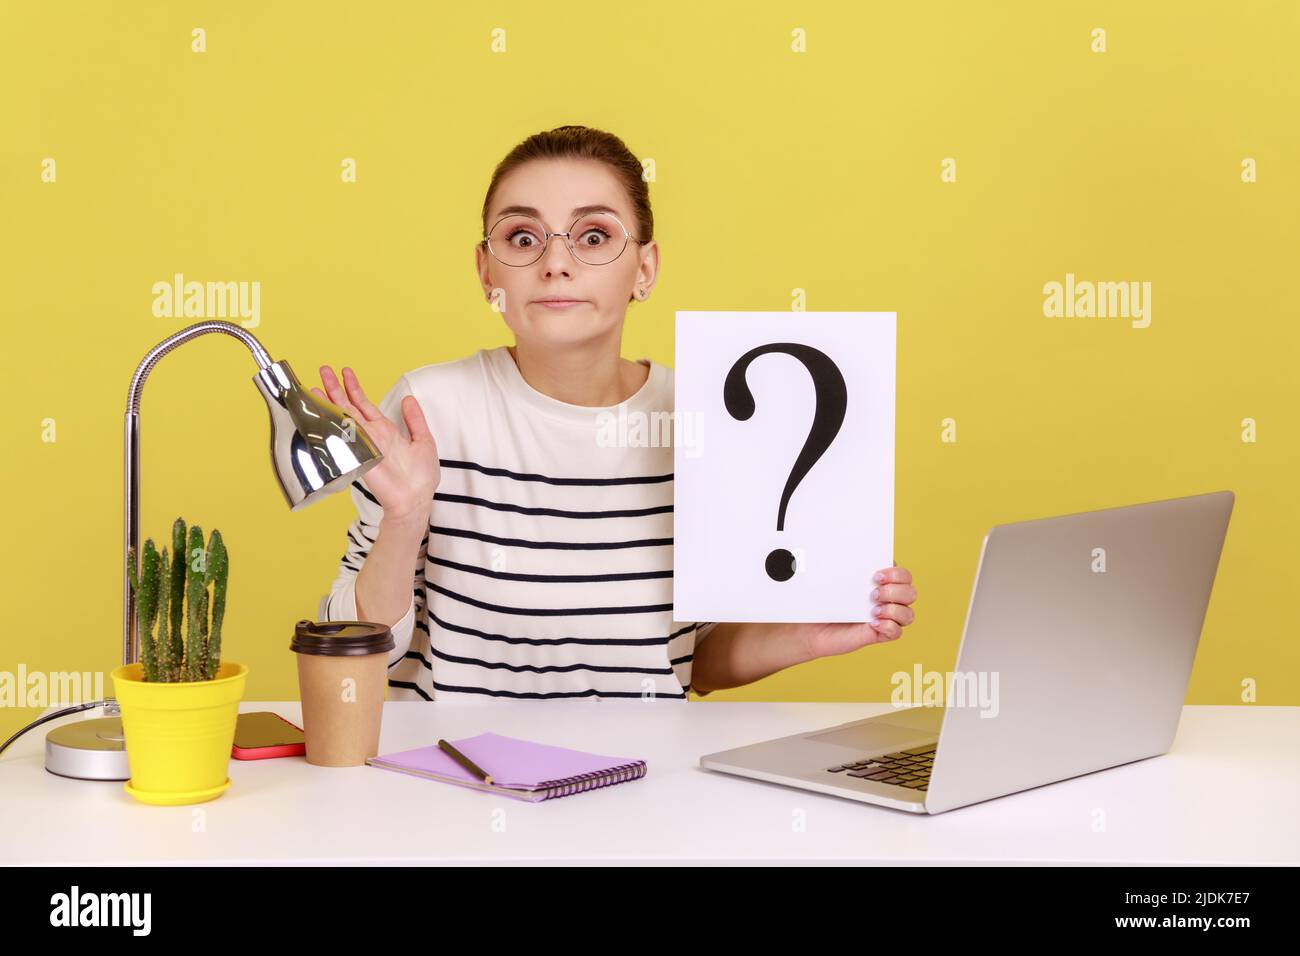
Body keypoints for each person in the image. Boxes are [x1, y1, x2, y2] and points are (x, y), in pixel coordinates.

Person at [314, 125, 916, 701]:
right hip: (458, 782)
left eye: (594, 236)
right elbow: (355, 650)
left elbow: (690, 658)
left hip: (641, 786)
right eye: (523, 237)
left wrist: (810, 636)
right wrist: (406, 515)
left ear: (646, 268)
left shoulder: (705, 419)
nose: (555, 262)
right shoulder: (429, 410)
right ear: (485, 270)